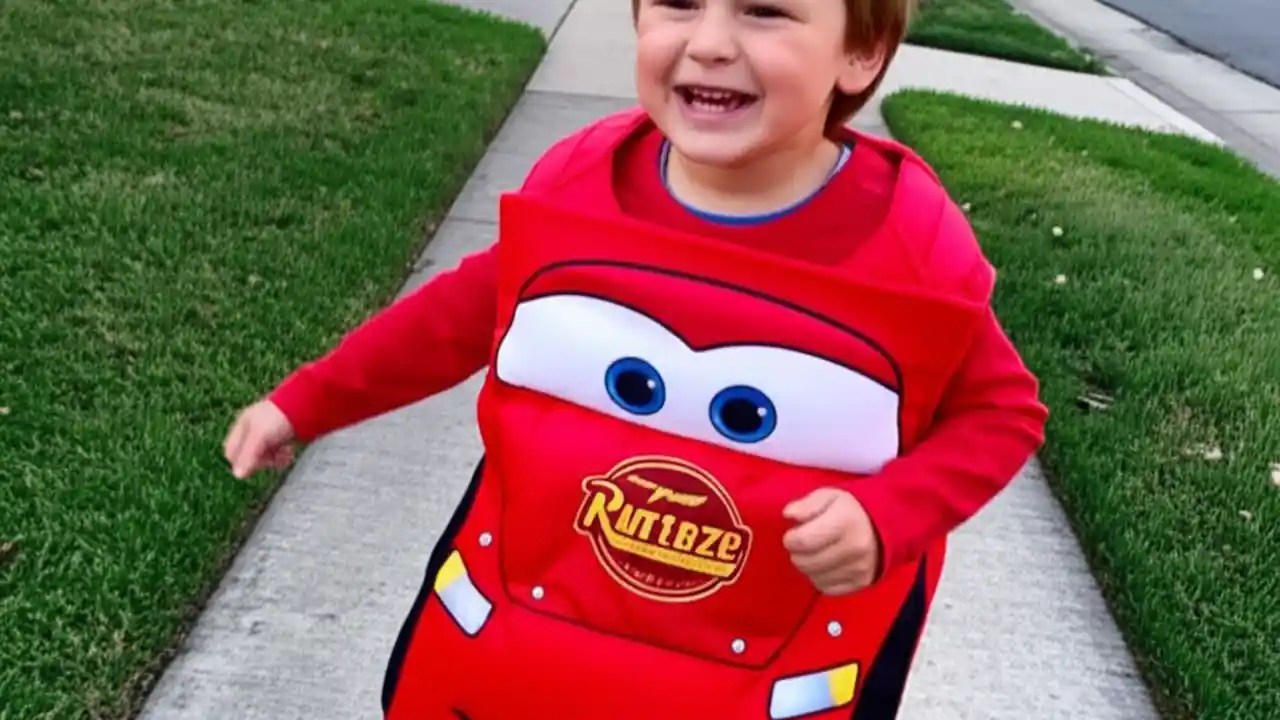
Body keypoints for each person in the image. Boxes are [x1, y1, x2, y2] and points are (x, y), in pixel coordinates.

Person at [223, 0, 1048, 717]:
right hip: (534, 626)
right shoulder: (582, 187)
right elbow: (457, 316)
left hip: (763, 654)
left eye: (764, 11)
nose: (711, 41)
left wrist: (891, 513)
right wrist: (308, 401)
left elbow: (1002, 410)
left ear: (860, 51)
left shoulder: (907, 245)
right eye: (677, 3)